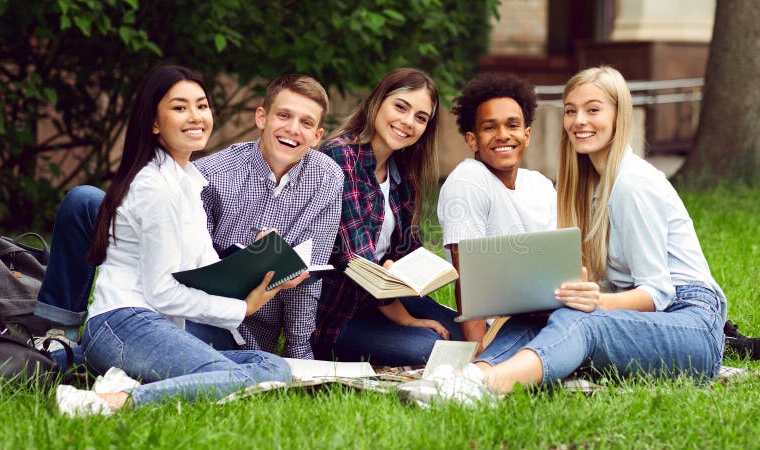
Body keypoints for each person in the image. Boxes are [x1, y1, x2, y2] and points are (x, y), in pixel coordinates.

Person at [411, 66, 727, 402]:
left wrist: (597, 303)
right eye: (571, 111)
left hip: (690, 321)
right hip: (646, 319)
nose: (579, 121)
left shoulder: (632, 183)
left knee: (583, 322)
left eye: (593, 109)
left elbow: (658, 293)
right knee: (545, 316)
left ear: (619, 116)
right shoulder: (589, 186)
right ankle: (470, 375)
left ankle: (488, 387)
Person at [55, 65, 307, 415]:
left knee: (272, 367)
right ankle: (106, 403)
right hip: (126, 321)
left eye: (202, 105)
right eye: (180, 107)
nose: (196, 117)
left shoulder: (188, 182)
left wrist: (260, 263)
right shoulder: (155, 188)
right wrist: (244, 308)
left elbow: (200, 273)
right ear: (154, 123)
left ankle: (86, 368)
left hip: (160, 326)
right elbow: (162, 292)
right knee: (231, 376)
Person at [36, 74, 343, 359]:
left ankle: (62, 358)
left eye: (306, 123)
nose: (292, 129)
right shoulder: (209, 175)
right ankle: (59, 330)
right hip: (185, 304)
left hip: (242, 326)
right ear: (261, 117)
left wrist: (299, 351)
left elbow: (307, 277)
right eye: (284, 115)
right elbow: (184, 270)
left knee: (148, 342)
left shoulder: (327, 177)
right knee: (86, 201)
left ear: (317, 136)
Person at [312, 68, 464, 366]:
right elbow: (359, 263)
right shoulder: (341, 157)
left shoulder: (401, 170)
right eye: (400, 107)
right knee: (431, 346)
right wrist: (407, 320)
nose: (408, 122)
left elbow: (405, 248)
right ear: (377, 102)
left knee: (463, 332)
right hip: (338, 314)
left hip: (384, 300)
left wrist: (428, 268)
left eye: (421, 117)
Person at [437, 73, 556, 347]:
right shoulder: (469, 179)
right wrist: (479, 358)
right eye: (490, 127)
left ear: (526, 135)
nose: (503, 135)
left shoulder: (539, 184)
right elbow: (469, 279)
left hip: (548, 315)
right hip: (500, 328)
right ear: (473, 139)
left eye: (512, 125)